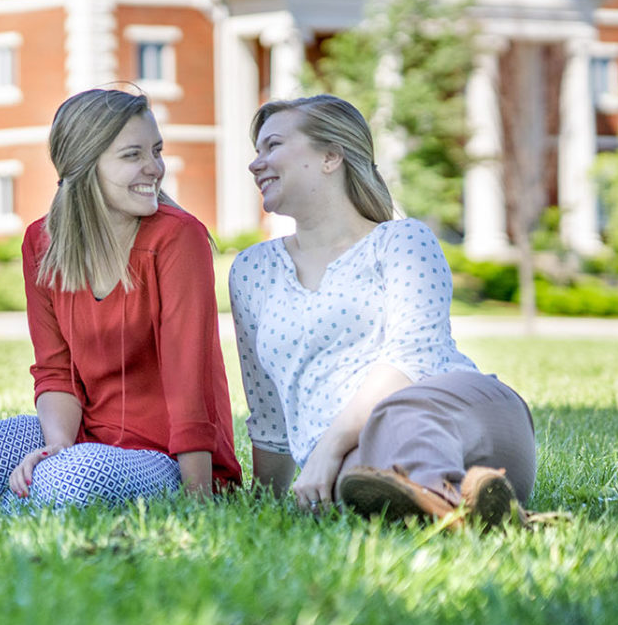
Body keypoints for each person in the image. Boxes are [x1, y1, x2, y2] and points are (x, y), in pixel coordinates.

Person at [0, 88, 241, 507]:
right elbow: (55, 370)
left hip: (169, 456)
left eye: (156, 151)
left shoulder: (178, 237)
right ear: (85, 164)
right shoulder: (41, 242)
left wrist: (200, 497)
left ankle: (22, 502)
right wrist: (57, 446)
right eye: (133, 155)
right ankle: (39, 488)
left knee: (66, 481)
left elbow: (189, 381)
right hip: (83, 437)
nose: (155, 168)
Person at [229, 94, 536, 528]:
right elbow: (270, 413)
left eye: (273, 146)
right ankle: (468, 504)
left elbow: (412, 358)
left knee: (395, 418)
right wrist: (266, 501)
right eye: (256, 150)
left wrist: (327, 448)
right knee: (357, 485)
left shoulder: (402, 241)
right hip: (360, 456)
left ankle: (441, 496)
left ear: (331, 156)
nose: (255, 164)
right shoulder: (252, 271)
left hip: (467, 418)